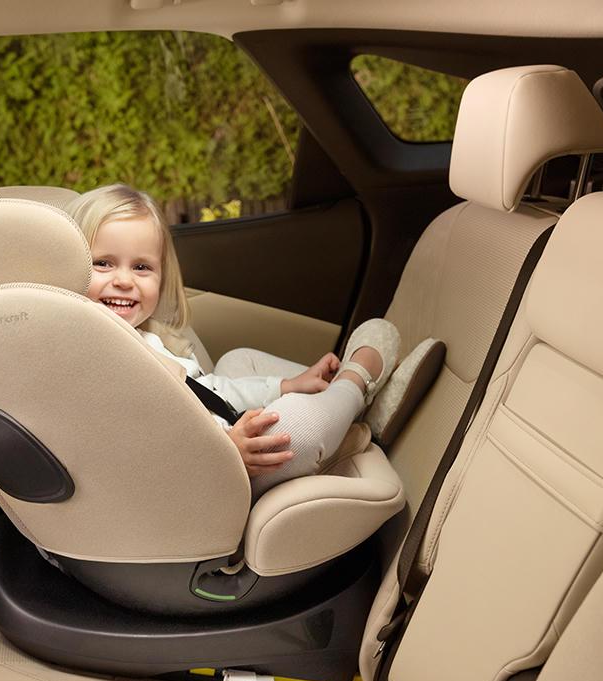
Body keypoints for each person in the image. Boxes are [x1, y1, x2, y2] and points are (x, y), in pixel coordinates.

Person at [74, 184, 399, 500]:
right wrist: (226, 451)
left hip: (221, 441)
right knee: (293, 428)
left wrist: (287, 386)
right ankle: (357, 384)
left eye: (141, 267)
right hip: (213, 483)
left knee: (238, 361)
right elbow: (138, 453)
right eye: (103, 263)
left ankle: (338, 404)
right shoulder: (89, 365)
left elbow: (204, 392)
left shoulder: (143, 338)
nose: (123, 280)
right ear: (70, 267)